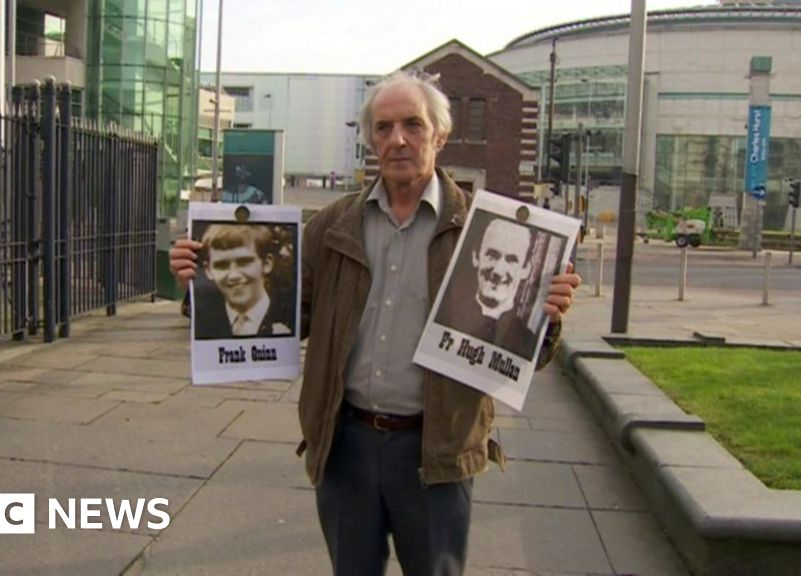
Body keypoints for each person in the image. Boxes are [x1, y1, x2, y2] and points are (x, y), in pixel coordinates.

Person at [170, 70, 581, 576]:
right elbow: (282, 315)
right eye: (383, 128)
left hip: (437, 452)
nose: (398, 139)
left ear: (439, 136)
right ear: (371, 140)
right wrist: (202, 285)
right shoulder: (334, 224)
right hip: (347, 447)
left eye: (413, 125)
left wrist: (548, 317)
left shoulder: (481, 231)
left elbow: (525, 355)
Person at [435, 216, 540, 359]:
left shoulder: (526, 334)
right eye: (492, 255)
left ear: (525, 270)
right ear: (476, 257)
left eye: (511, 260)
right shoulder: (446, 315)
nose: (498, 271)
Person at [192, 224, 292, 339]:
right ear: (208, 270)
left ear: (266, 264)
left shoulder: (289, 317)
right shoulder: (204, 322)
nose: (234, 275)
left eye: (244, 262)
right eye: (222, 265)